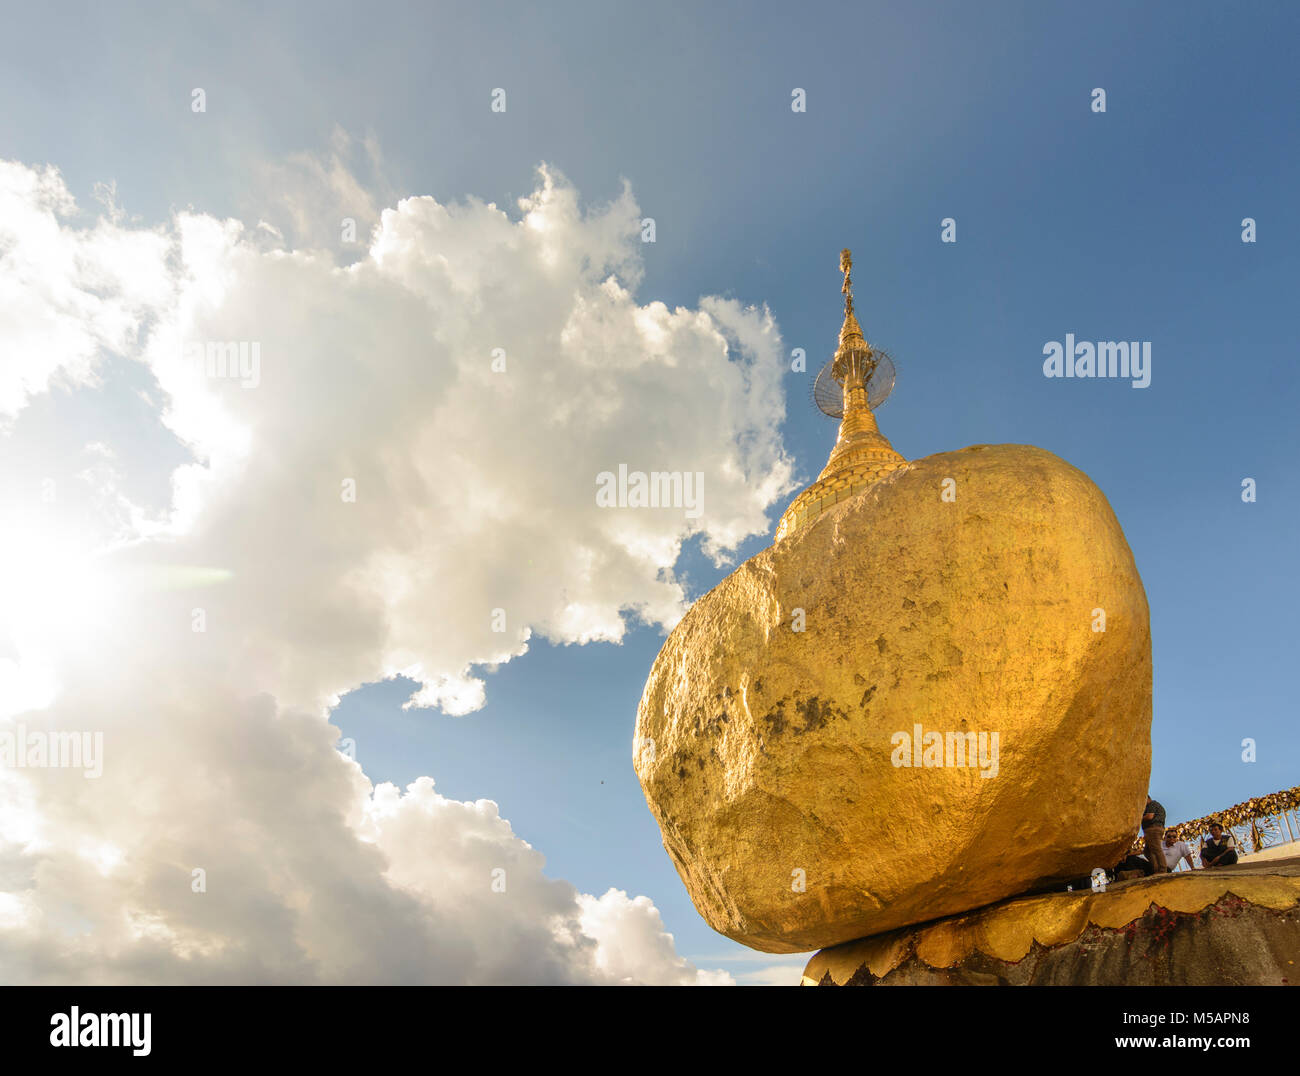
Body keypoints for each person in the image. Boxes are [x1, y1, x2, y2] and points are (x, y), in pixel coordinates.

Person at [1142, 794, 1168, 873]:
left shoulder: (1151, 804)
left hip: (1153, 829)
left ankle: (1162, 869)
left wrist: (1138, 818)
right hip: (1156, 829)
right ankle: (1156, 868)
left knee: (1157, 849)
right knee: (1147, 851)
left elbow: (1150, 816)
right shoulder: (1156, 805)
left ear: (1147, 798)